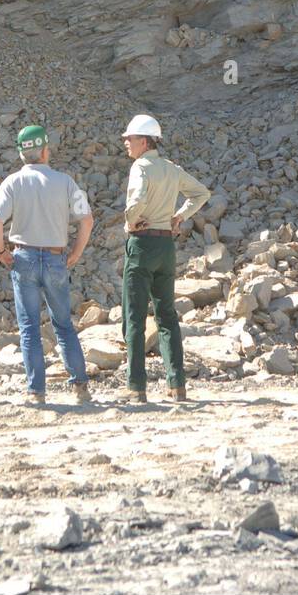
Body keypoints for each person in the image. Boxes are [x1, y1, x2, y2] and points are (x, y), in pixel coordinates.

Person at [0, 124, 94, 406]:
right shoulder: (65, 182)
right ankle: (80, 386)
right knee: (63, 325)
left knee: (29, 327)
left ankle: (36, 391)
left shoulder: (12, 183)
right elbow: (87, 219)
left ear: (22, 154)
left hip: (23, 258)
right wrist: (76, 252)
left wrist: (1, 251)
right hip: (56, 257)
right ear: (46, 150)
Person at [120, 114, 211, 404]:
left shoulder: (140, 167)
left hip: (142, 245)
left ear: (144, 141)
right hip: (166, 247)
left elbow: (136, 201)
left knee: (134, 317)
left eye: (130, 138)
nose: (126, 142)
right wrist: (179, 217)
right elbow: (201, 193)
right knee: (167, 316)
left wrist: (130, 223)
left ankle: (136, 386)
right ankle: (177, 385)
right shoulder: (172, 169)